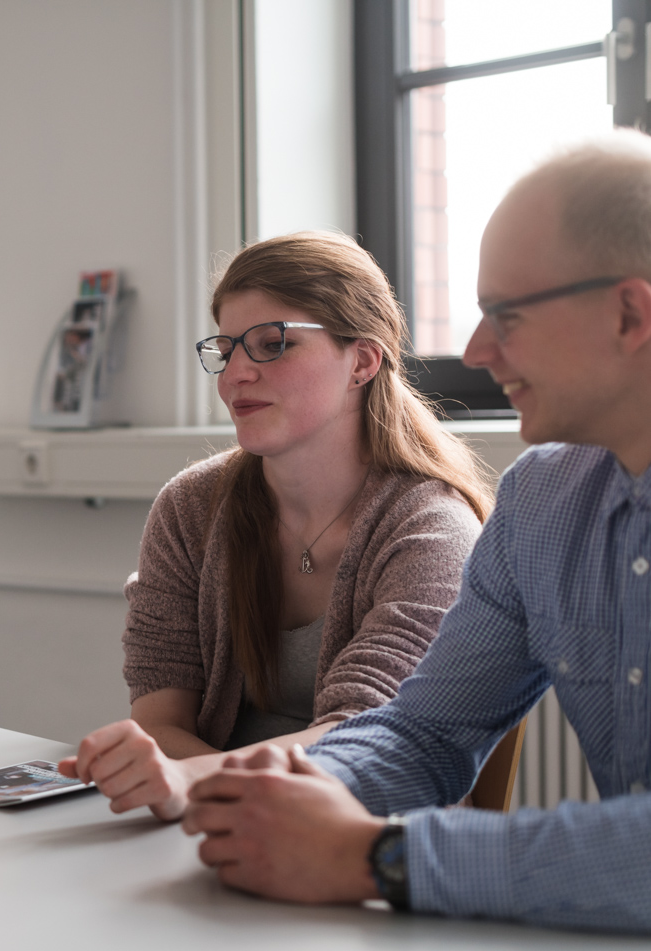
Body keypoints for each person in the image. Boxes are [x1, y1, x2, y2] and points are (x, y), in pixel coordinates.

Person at [179, 131, 651, 933]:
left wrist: (374, 856)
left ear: (630, 312)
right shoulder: (543, 501)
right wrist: (291, 785)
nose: (476, 350)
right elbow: (426, 730)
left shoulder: (435, 517)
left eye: (508, 315)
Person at [60, 232, 493, 820]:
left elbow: (360, 739)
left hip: (365, 843)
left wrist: (190, 781)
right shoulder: (190, 509)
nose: (235, 375)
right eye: (226, 347)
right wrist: (189, 787)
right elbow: (160, 721)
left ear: (362, 361)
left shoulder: (431, 529)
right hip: (209, 830)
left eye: (272, 344)